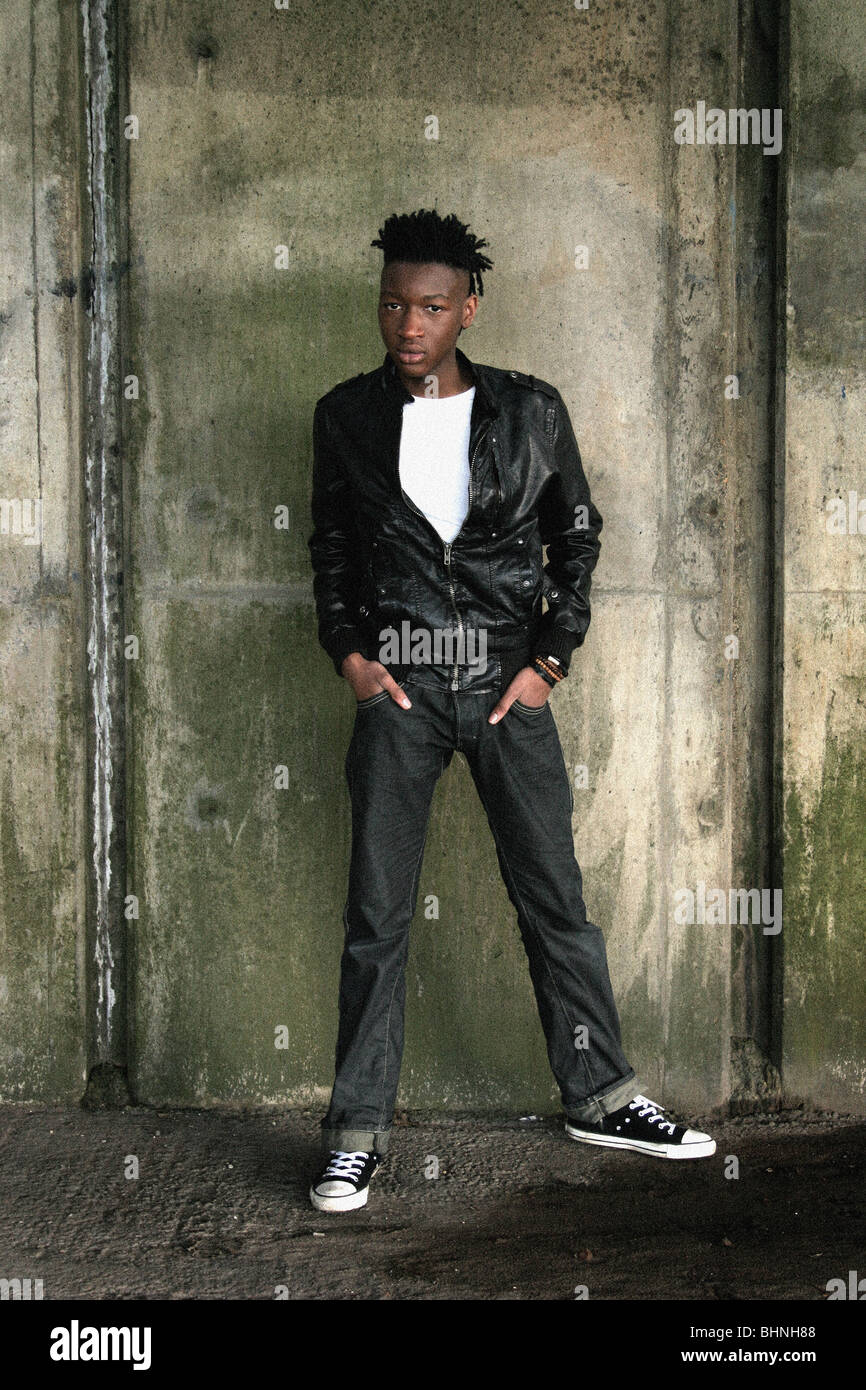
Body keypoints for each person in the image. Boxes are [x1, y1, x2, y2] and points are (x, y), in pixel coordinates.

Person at [306, 209, 715, 1213]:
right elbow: (328, 547)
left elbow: (576, 540)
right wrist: (354, 657)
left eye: (431, 307)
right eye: (394, 304)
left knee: (553, 900)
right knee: (375, 919)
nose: (408, 325)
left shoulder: (530, 413)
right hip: (400, 681)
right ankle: (354, 1133)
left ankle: (599, 1093)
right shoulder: (344, 415)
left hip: (500, 682)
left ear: (467, 310)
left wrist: (547, 661)